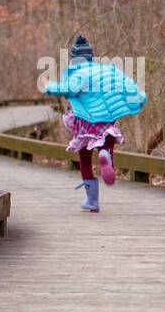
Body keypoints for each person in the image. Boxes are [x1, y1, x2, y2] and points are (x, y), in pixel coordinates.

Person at [42, 35, 147, 212]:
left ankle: (92, 201)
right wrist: (141, 99)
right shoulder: (109, 71)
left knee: (84, 159)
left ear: (74, 59)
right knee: (106, 147)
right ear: (91, 56)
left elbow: (69, 89)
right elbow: (131, 88)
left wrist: (49, 86)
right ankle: (106, 155)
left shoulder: (79, 74)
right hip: (107, 124)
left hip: (86, 123)